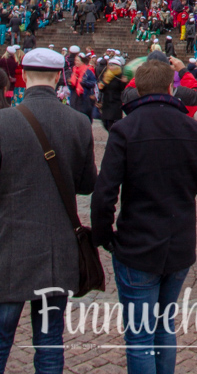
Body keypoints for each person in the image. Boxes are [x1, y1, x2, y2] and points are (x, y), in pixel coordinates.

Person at [91, 57, 197, 374]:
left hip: (137, 242)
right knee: (164, 327)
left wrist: (104, 237)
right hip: (179, 242)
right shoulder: (193, 128)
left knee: (141, 334)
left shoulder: (125, 128)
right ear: (171, 87)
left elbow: (104, 193)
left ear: (138, 88)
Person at [0, 48, 97, 373]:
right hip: (57, 248)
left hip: (9, 245)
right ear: (58, 78)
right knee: (49, 340)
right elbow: (86, 185)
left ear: (24, 76)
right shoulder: (79, 122)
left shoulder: (3, 122)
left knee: (1, 340)